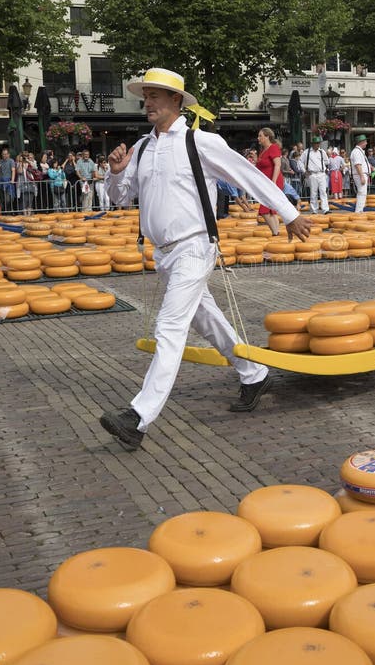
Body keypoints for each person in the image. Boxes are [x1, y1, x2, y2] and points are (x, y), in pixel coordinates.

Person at [99, 67, 310, 451]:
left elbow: (250, 177)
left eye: (155, 96)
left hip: (195, 246)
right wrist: (114, 174)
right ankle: (253, 373)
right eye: (145, 95)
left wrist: (289, 213)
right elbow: (119, 197)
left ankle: (138, 417)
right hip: (164, 254)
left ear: (177, 102)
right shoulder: (142, 148)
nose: (147, 102)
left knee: (170, 326)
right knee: (207, 319)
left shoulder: (201, 141)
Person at [255, 127, 284, 235]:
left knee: (264, 210)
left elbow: (278, 165)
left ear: (267, 136)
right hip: (266, 183)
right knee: (272, 210)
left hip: (273, 182)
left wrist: (273, 182)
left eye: (260, 136)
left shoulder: (273, 148)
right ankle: (277, 233)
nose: (258, 138)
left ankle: (275, 233)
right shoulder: (263, 151)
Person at [299, 136, 329, 214]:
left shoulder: (322, 152)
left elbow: (326, 161)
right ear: (312, 144)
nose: (317, 145)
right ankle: (314, 210)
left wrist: (325, 168)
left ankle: (325, 209)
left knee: (323, 192)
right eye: (316, 143)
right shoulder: (307, 152)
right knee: (313, 192)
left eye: (318, 143)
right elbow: (300, 162)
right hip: (312, 174)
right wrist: (304, 171)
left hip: (321, 174)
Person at [350, 134, 370, 212]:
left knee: (362, 193)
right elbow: (358, 165)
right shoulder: (356, 152)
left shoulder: (359, 151)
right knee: (362, 193)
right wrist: (361, 176)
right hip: (360, 174)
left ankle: (360, 210)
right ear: (361, 142)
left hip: (361, 174)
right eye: (365, 141)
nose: (366, 143)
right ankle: (359, 211)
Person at [0, 147, 16, 214]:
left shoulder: (11, 161)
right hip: (1, 182)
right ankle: (4, 213)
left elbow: (13, 170)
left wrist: (12, 180)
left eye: (5, 154)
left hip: (8, 182)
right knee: (2, 200)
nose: (4, 155)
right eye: (3, 154)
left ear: (8, 154)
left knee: (8, 199)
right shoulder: (0, 161)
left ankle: (9, 212)